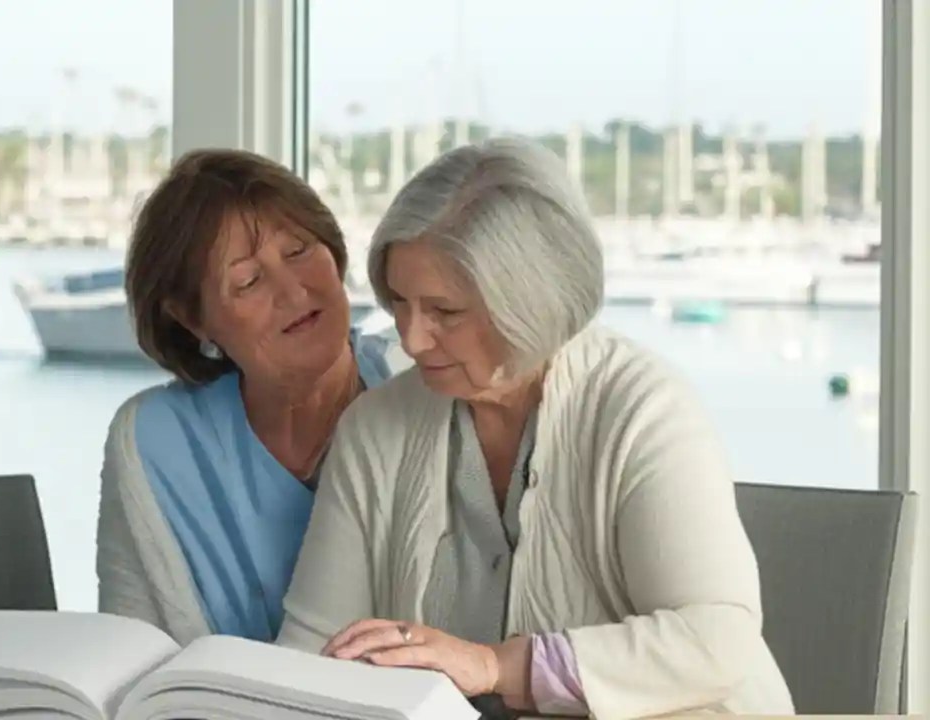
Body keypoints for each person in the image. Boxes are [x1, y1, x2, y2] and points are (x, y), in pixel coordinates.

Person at [277, 139, 794, 718]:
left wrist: (493, 666)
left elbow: (715, 639)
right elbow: (312, 647)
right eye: (399, 302)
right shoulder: (375, 427)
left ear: (530, 302)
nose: (412, 338)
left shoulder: (641, 407)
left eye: (445, 312)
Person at [97, 149, 392, 645]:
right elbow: (126, 654)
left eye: (298, 251)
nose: (293, 291)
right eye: (248, 281)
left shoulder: (419, 392)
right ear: (193, 321)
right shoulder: (153, 441)